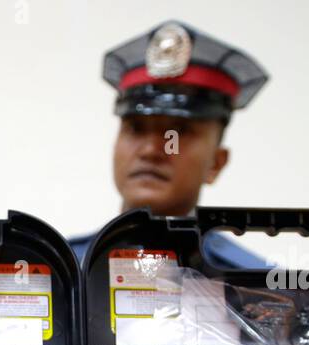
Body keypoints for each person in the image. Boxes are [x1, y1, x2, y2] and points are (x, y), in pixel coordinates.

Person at [69, 21, 269, 268]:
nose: (150, 150)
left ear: (216, 163)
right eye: (135, 128)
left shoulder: (258, 290)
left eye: (178, 131)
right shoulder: (62, 275)